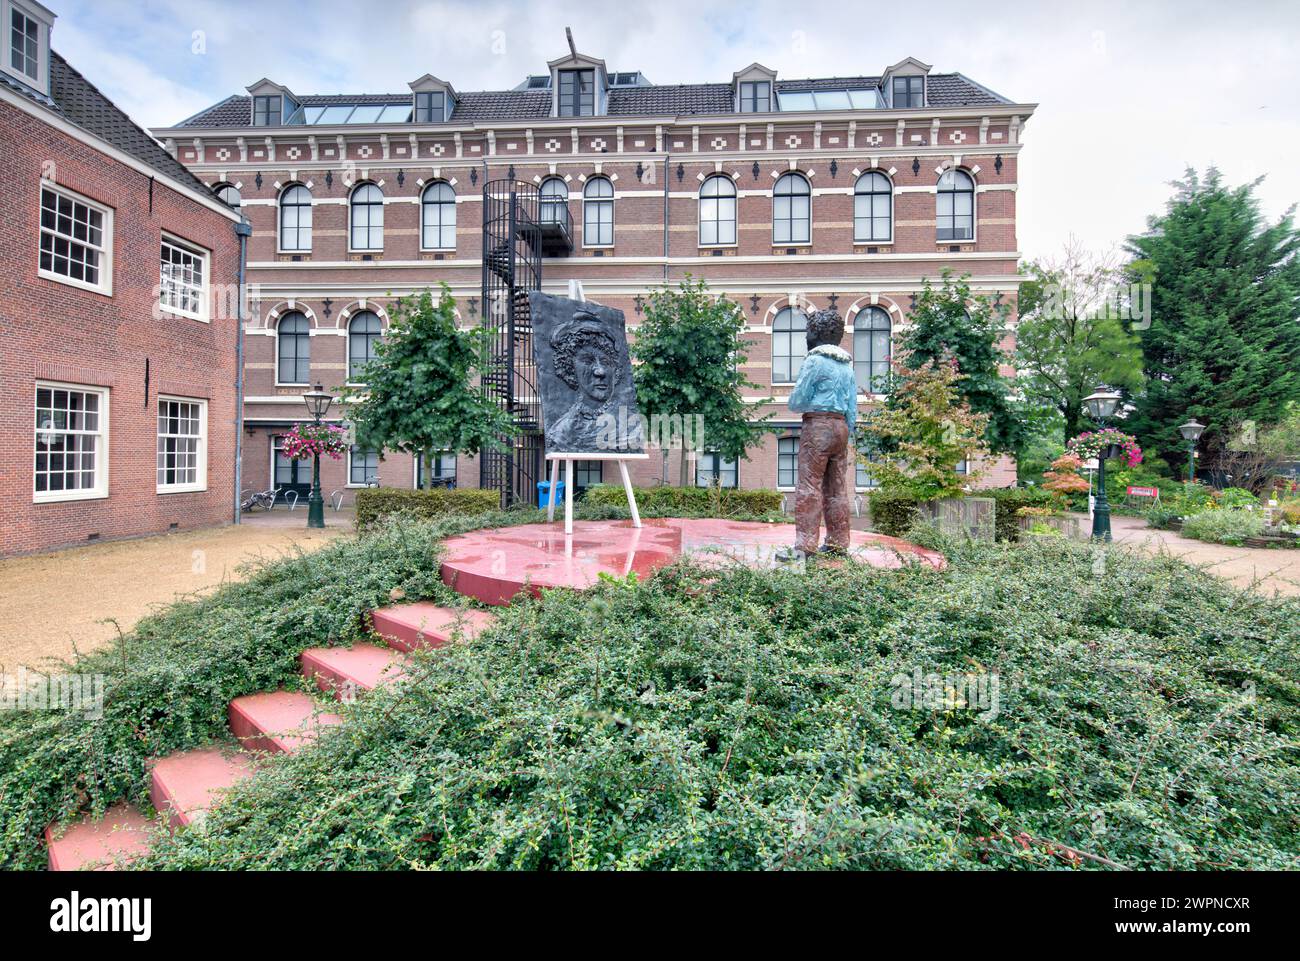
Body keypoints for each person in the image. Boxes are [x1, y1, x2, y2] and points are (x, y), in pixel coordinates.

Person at [777, 308, 856, 561]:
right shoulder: (847, 366)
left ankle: (805, 547)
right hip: (841, 427)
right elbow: (853, 406)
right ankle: (838, 543)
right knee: (837, 488)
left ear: (816, 334)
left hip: (818, 426)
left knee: (809, 486)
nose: (806, 336)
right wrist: (847, 433)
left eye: (808, 331)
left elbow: (797, 401)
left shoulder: (814, 360)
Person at [548, 312, 642, 452]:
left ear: (614, 369)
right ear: (569, 368)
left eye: (605, 362)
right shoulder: (561, 431)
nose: (600, 372)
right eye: (587, 361)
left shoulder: (628, 424)